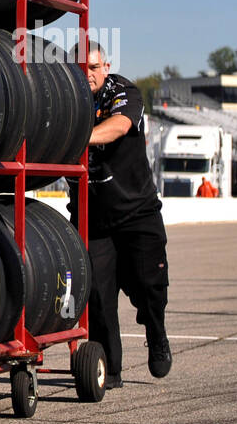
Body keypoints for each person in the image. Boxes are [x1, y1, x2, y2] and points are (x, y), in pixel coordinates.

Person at [69, 41, 171, 389]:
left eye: (94, 67)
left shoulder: (123, 90)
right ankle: (108, 368)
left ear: (106, 67)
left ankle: (156, 333)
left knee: (149, 286)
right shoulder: (65, 95)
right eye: (81, 67)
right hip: (93, 219)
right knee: (97, 295)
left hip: (137, 211)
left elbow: (120, 126)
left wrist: (76, 138)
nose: (88, 74)